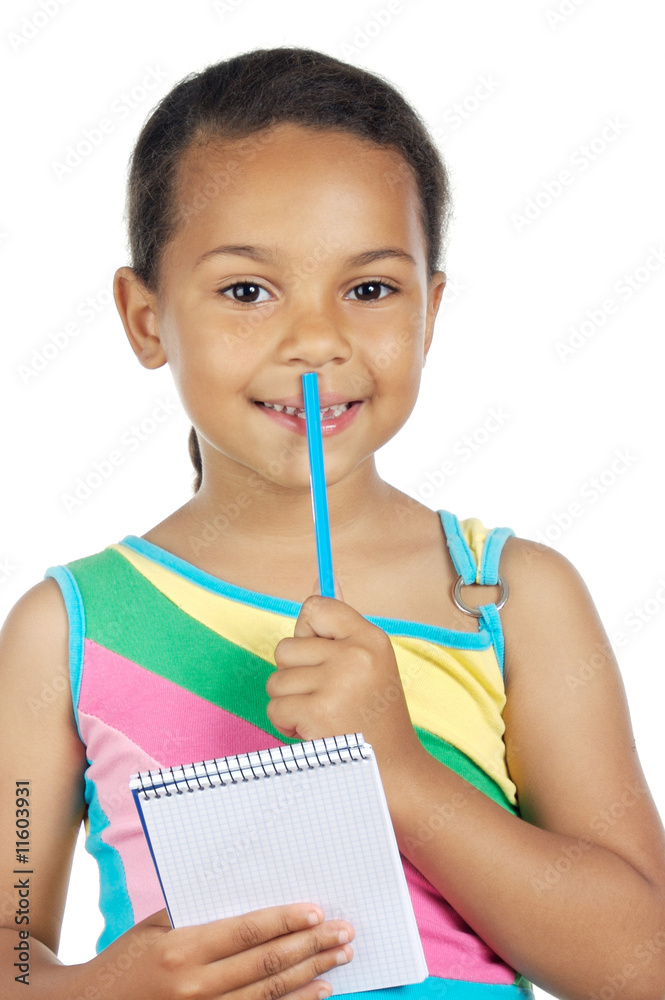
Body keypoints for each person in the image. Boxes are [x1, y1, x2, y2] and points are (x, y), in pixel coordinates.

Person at [2, 46, 665, 1000]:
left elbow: (643, 961)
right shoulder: (65, 630)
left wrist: (399, 771)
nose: (316, 341)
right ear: (144, 318)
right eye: (246, 291)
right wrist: (92, 989)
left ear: (430, 311)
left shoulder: (507, 598)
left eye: (370, 290)